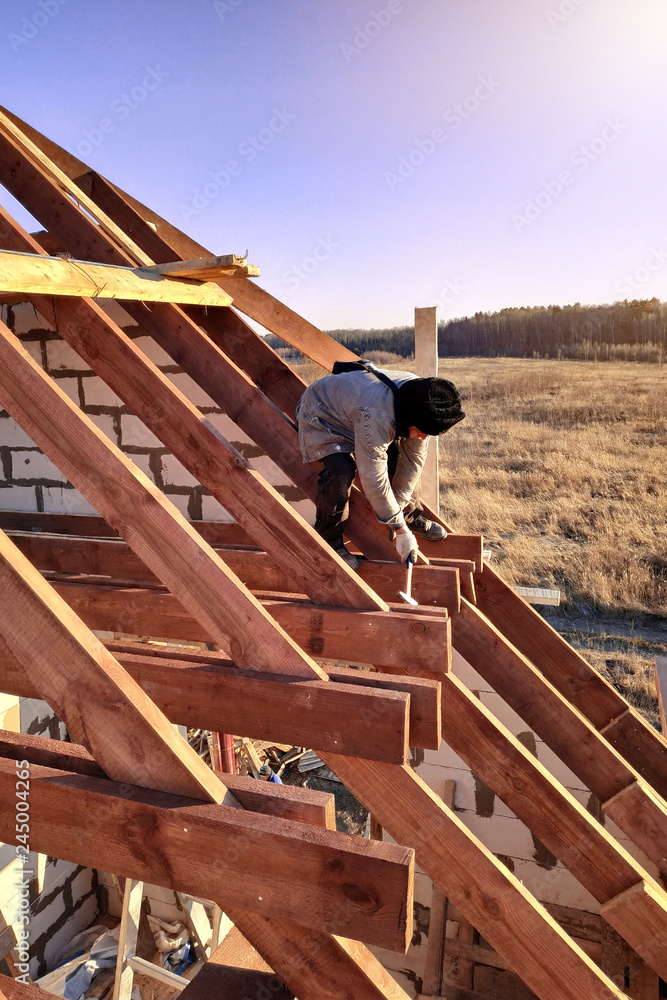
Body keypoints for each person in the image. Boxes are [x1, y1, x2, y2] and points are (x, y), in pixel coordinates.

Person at [296, 362, 465, 569]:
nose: (424, 437)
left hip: (355, 409)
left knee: (396, 455)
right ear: (411, 418)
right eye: (423, 431)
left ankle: (409, 514)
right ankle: (329, 539)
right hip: (321, 412)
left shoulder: (422, 399)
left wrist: (399, 510)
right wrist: (400, 530)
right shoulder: (375, 416)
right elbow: (373, 477)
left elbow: (413, 461)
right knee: (341, 470)